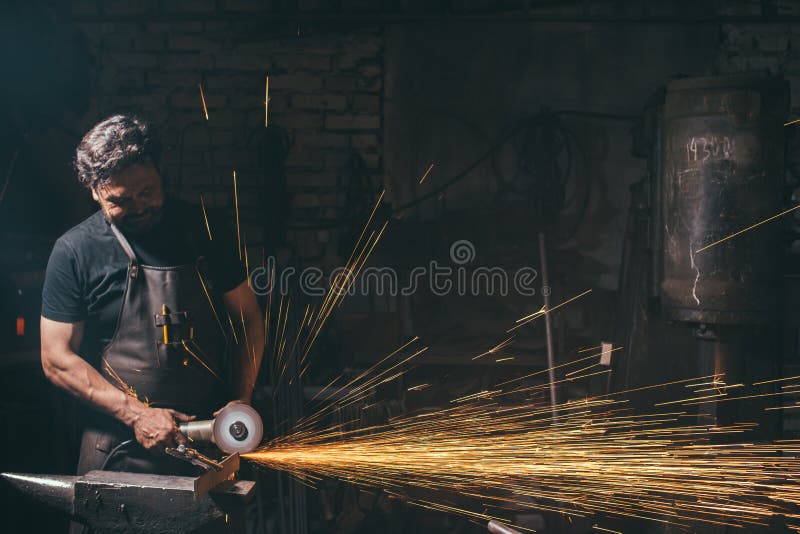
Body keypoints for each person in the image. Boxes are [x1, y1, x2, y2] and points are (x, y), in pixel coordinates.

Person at [40, 114, 264, 483]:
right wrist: (135, 414)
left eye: (148, 191)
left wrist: (241, 399)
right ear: (94, 191)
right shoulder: (74, 251)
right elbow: (56, 359)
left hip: (207, 447)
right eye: (121, 200)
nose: (141, 207)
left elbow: (249, 321)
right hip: (115, 454)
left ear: (160, 171)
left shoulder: (206, 231)